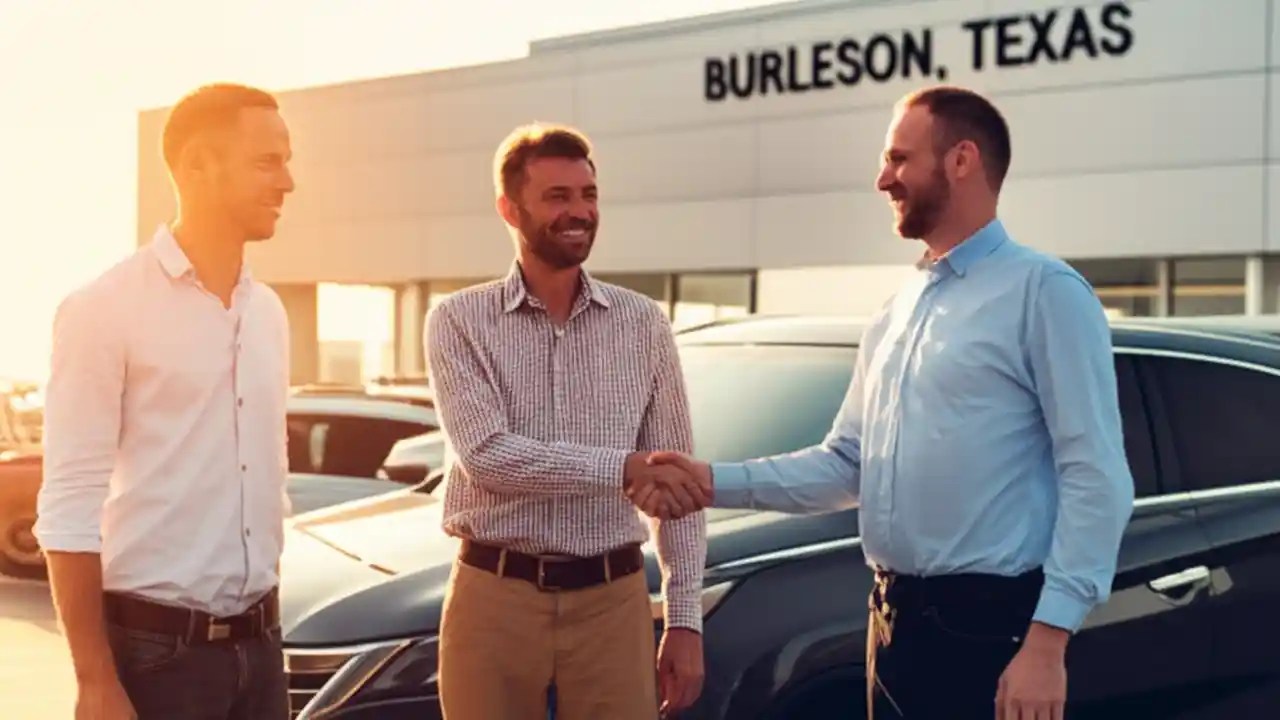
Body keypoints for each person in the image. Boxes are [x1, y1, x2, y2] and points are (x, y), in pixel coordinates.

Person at [642, 85, 1136, 720]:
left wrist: (1048, 641)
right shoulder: (897, 311)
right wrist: (710, 483)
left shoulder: (1046, 293)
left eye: (899, 159)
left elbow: (1096, 474)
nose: (883, 179)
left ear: (961, 160)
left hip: (996, 629)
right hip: (892, 623)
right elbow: (848, 464)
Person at [423, 122, 712, 720]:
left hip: (613, 600)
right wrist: (623, 469)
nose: (579, 211)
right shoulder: (457, 321)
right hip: (493, 597)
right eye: (558, 197)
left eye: (589, 195)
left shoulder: (644, 323)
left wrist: (684, 618)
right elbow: (487, 456)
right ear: (509, 208)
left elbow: (675, 485)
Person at [35, 82, 296, 720]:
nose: (288, 182)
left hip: (264, 650)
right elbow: (69, 505)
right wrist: (94, 680)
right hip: (159, 660)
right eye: (268, 161)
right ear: (196, 166)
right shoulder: (102, 308)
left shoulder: (267, 312)